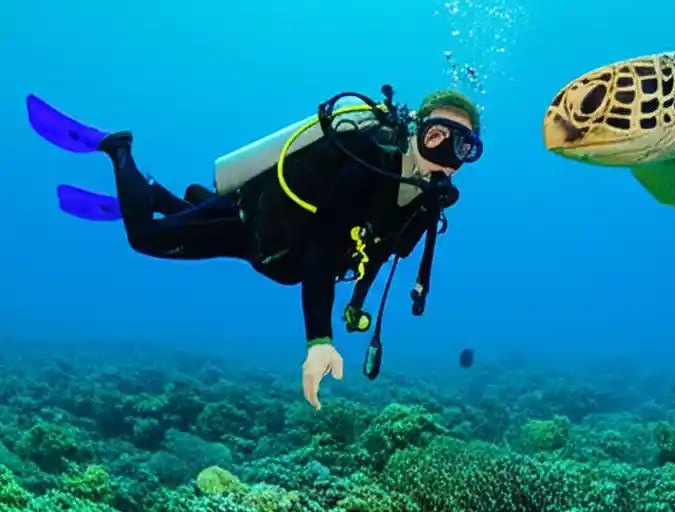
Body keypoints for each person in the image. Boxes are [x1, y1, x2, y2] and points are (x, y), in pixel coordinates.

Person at [24, 86, 483, 409]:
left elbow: (377, 255)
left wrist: (357, 305)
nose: (443, 153)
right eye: (436, 135)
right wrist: (319, 340)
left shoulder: (425, 203)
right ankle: (118, 150)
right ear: (416, 129)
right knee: (145, 238)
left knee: (194, 210)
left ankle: (155, 195)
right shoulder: (366, 164)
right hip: (258, 226)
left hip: (278, 255)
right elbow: (325, 246)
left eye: (460, 145)